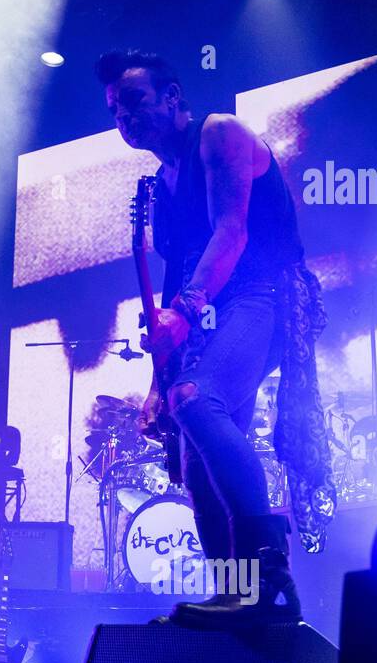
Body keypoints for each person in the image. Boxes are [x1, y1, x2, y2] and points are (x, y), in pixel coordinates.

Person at [97, 49, 335, 627]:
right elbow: (179, 268)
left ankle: (267, 571)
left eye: (136, 101)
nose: (125, 118)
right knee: (192, 445)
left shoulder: (219, 135)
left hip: (266, 296)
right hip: (217, 311)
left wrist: (184, 310)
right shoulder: (159, 181)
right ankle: (240, 595)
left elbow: (232, 231)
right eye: (115, 111)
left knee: (197, 401)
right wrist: (159, 379)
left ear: (173, 97)